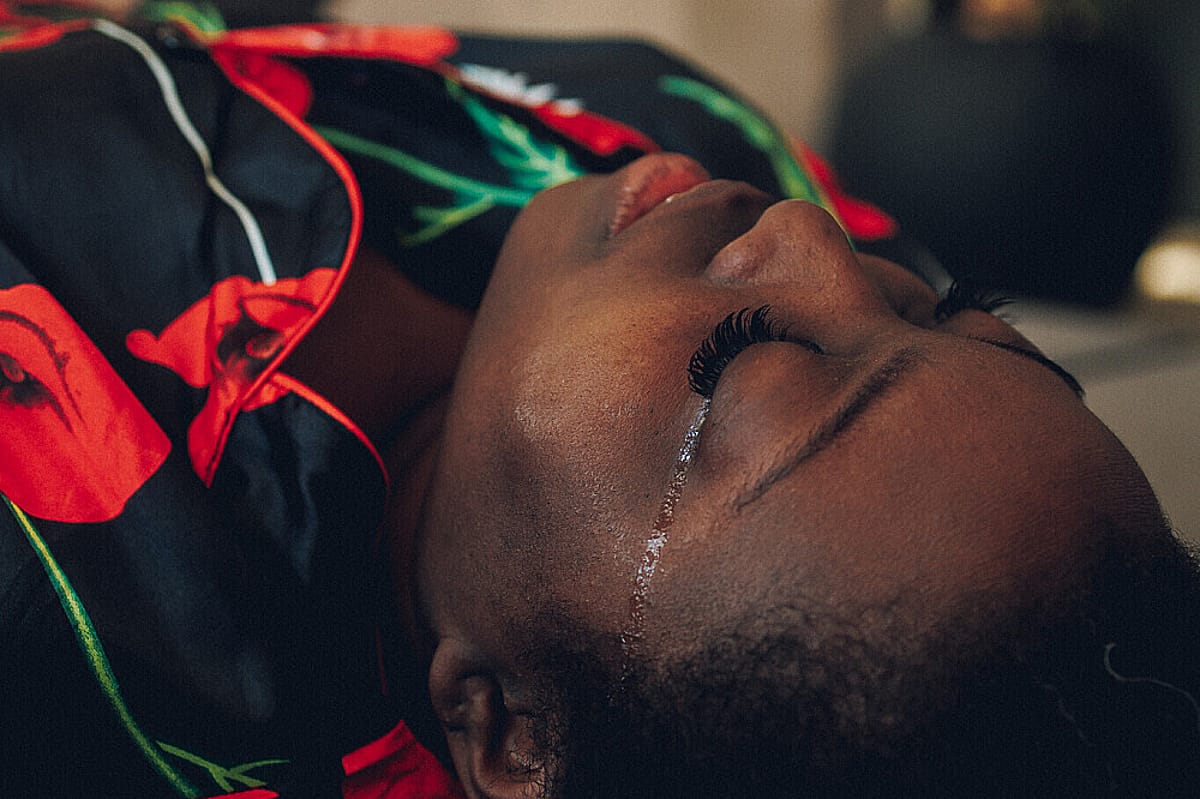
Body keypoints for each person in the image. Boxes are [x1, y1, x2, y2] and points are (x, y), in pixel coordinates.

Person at [0, 3, 1196, 798]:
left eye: (748, 363)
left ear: (512, 727)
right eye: (950, 309)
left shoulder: (82, 608)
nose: (811, 232)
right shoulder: (674, 175)